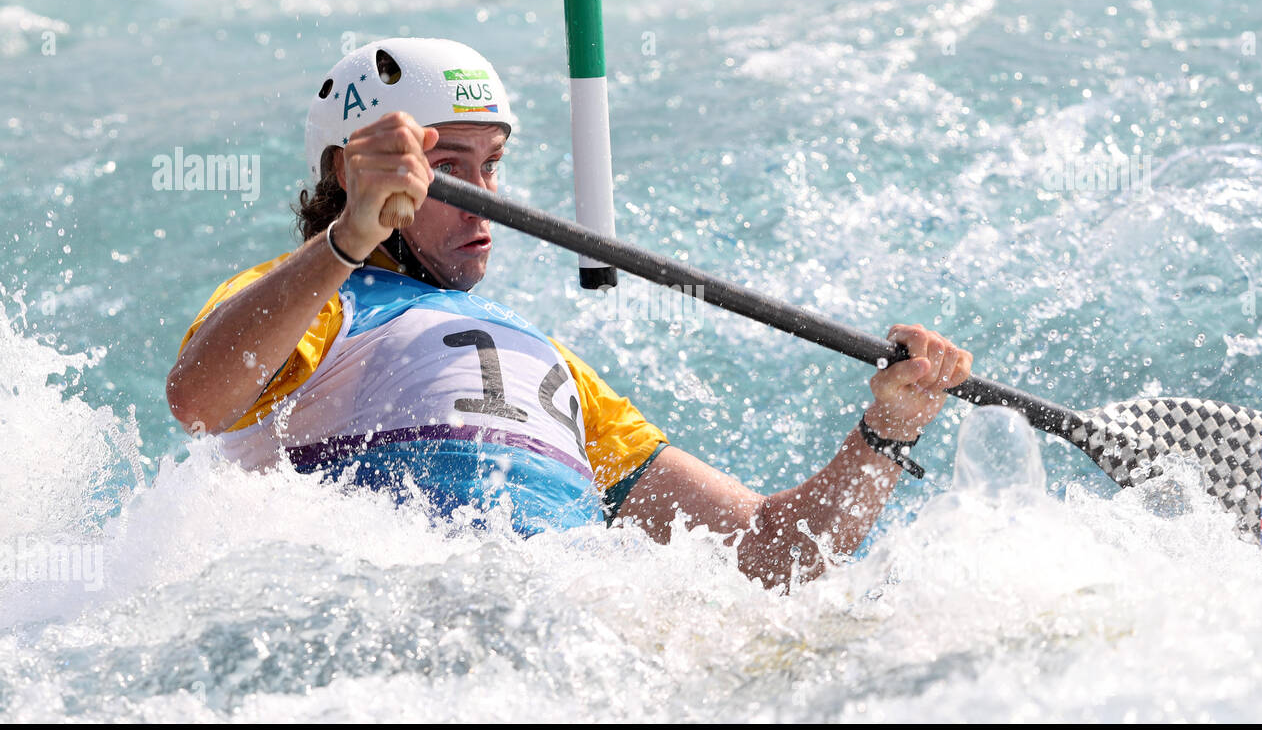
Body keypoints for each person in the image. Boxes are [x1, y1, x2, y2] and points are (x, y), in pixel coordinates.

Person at [166, 37, 973, 590]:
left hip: (570, 617)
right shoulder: (306, 295)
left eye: (493, 165)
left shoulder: (545, 362)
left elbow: (768, 555)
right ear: (348, 171)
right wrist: (348, 238)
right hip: (392, 615)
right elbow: (199, 401)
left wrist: (886, 434)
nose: (483, 198)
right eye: (447, 169)